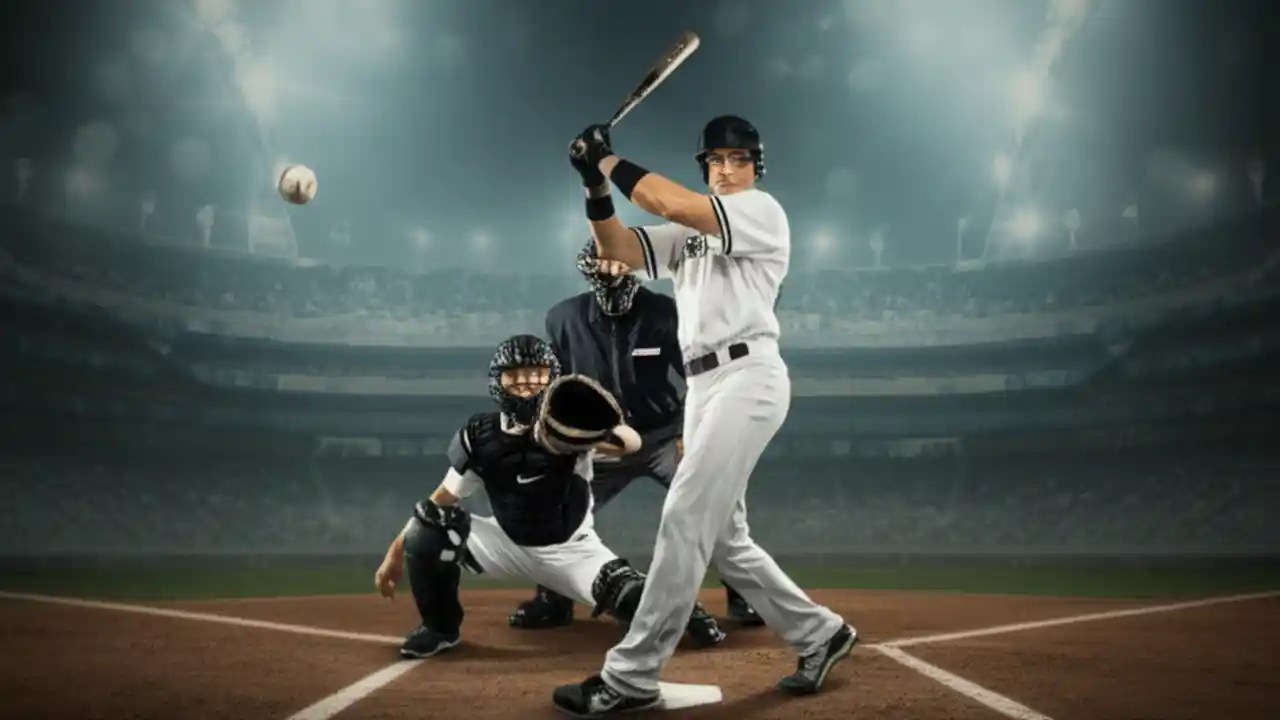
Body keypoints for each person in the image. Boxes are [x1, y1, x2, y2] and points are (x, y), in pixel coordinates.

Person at [551, 117, 856, 717]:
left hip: (749, 375)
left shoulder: (760, 212)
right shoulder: (686, 231)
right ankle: (820, 634)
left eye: (737, 158)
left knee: (684, 517)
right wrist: (593, 185)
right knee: (724, 538)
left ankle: (633, 673)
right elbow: (616, 248)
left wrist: (609, 162)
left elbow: (673, 203)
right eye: (714, 159)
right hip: (703, 386)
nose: (724, 167)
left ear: (755, 167)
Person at [373, 334, 724, 658]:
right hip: (505, 542)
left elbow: (629, 444)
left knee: (639, 606)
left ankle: (681, 606)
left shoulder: (572, 427)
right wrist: (394, 555)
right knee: (429, 525)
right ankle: (440, 629)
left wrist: (584, 433)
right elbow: (440, 501)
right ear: (499, 381)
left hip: (571, 551)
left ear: (552, 379)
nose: (527, 384)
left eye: (537, 375)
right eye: (516, 375)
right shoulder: (481, 436)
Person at [508, 240, 762, 631]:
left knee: (715, 500)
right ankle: (553, 598)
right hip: (599, 442)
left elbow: (699, 378)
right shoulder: (563, 318)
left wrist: (689, 432)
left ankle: (743, 593)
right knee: (554, 509)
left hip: (662, 436)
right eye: (603, 264)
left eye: (619, 263)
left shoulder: (666, 312)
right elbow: (556, 386)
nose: (612, 273)